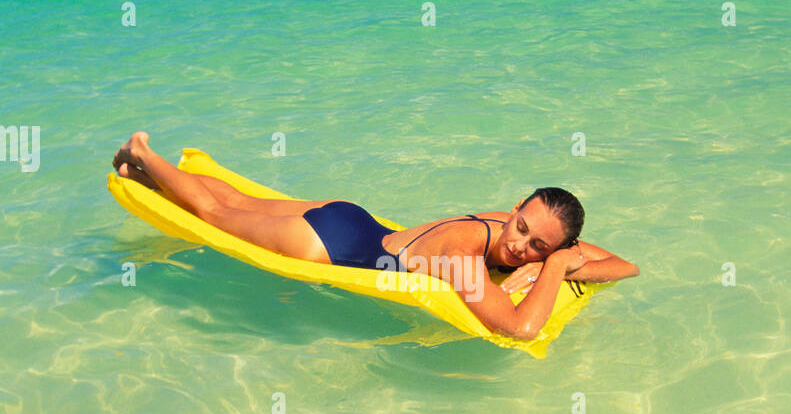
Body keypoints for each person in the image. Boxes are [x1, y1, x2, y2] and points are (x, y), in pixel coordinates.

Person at [113, 132, 638, 340]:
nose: (519, 246)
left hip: (356, 220)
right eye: (522, 228)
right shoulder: (463, 257)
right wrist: (554, 268)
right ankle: (145, 154)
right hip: (327, 246)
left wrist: (568, 261)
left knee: (240, 200)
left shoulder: (506, 225)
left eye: (539, 246)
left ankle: (145, 176)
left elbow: (624, 266)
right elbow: (519, 329)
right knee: (213, 212)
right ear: (518, 207)